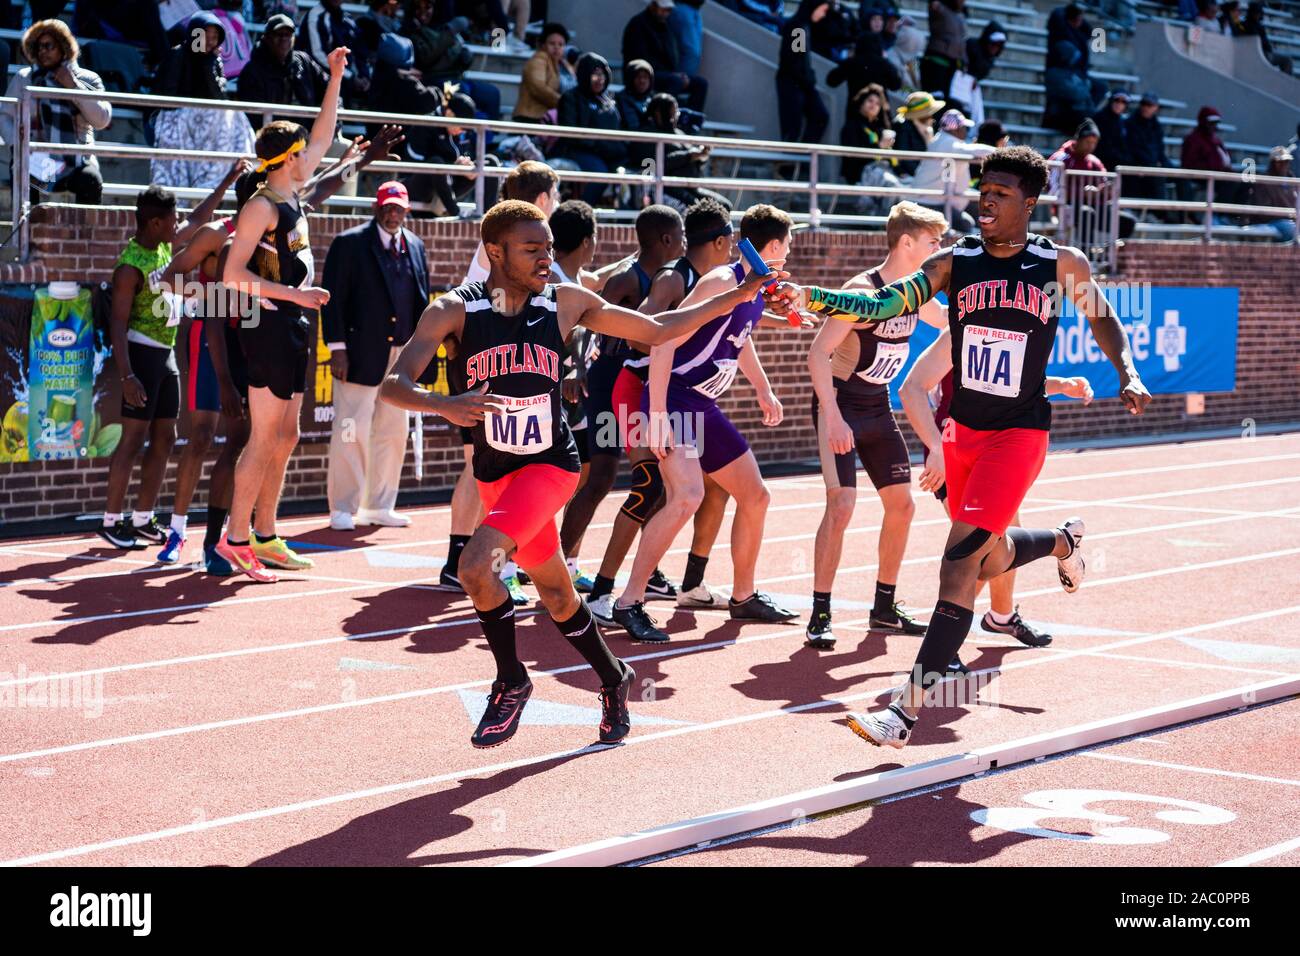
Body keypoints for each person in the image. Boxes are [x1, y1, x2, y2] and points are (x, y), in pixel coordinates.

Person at [777, 144, 1151, 748]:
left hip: (1018, 435)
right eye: (984, 190)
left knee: (957, 565)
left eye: (1001, 194)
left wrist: (1127, 370)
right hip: (963, 436)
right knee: (989, 556)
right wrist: (815, 298)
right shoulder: (955, 263)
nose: (987, 201)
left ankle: (902, 713)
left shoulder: (1061, 264)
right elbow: (883, 304)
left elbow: (1102, 317)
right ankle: (1063, 540)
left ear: (1030, 203)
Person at [377, 199, 780, 748]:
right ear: (493, 252)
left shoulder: (564, 301)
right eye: (531, 249)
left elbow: (659, 329)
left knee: (476, 567)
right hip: (498, 473)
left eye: (548, 246)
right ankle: (616, 679)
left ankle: (511, 682)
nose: (546, 257)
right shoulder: (453, 310)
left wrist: (738, 294)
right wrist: (443, 404)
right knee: (559, 598)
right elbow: (394, 386)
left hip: (550, 467)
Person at [165, 127, 406, 572]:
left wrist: (362, 152)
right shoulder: (225, 230)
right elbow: (173, 281)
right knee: (236, 439)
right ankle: (217, 539)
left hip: (278, 323)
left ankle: (262, 533)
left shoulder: (286, 210)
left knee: (280, 435)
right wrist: (221, 306)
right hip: (239, 332)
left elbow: (323, 178)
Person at [610, 204, 799, 643]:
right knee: (686, 496)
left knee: (755, 495)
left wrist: (763, 387)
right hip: (674, 399)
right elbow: (664, 340)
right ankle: (629, 601)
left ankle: (743, 595)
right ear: (771, 246)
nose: (788, 254)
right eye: (786, 246)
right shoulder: (722, 281)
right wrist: (655, 414)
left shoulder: (757, 287)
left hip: (703, 405)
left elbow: (740, 339)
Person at [216, 46, 349, 582]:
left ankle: (267, 534)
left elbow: (324, 133)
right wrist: (297, 296)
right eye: (300, 152)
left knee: (288, 435)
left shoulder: (292, 187)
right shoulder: (261, 206)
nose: (309, 155)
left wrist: (335, 77)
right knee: (263, 437)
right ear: (285, 159)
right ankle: (236, 537)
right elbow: (231, 276)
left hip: (294, 320)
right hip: (270, 321)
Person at [589, 198, 739, 628]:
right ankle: (602, 592)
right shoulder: (677, 278)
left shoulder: (718, 280)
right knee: (649, 484)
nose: (732, 250)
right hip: (638, 386)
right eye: (729, 241)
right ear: (716, 240)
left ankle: (684, 581)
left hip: (679, 393)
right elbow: (643, 334)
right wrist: (672, 331)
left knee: (709, 485)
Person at [804, 202, 949, 650]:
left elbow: (948, 322)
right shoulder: (863, 291)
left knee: (902, 506)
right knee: (842, 505)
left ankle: (883, 608)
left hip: (878, 407)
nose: (939, 250)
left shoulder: (915, 292)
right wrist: (831, 415)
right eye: (932, 243)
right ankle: (820, 613)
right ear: (907, 243)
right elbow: (817, 354)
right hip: (842, 406)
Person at [899, 325, 1096, 653]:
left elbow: (1018, 383)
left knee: (1003, 536)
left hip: (997, 447)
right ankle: (944, 650)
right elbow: (912, 389)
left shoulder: (1012, 325)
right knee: (973, 552)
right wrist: (935, 449)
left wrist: (1062, 385)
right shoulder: (961, 328)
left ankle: (1001, 616)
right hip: (953, 448)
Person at [97, 183, 228, 549]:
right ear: (154, 223)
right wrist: (127, 376)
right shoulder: (130, 266)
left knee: (166, 437)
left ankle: (142, 518)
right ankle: (111, 520)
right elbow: (118, 326)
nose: (177, 225)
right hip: (140, 356)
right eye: (172, 220)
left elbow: (200, 219)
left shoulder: (165, 246)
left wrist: (228, 181)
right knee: (133, 438)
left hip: (165, 354)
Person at [570, 205, 686, 620]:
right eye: (681, 236)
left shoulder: (672, 280)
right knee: (601, 476)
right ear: (667, 241)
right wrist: (576, 368)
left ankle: (646, 572)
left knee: (657, 477)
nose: (686, 244)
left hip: (640, 383)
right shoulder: (627, 278)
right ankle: (564, 568)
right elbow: (585, 319)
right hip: (607, 383)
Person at [322, 182, 429, 531]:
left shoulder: (415, 246)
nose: (393, 213)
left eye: (399, 207)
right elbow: (334, 299)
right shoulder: (349, 243)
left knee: (393, 432)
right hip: (358, 354)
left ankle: (380, 504)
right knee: (351, 430)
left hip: (400, 356)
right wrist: (336, 347)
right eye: (388, 206)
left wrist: (421, 352)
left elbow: (421, 303)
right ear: (376, 207)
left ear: (407, 210)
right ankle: (343, 506)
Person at [0, 19, 112, 206]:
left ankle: (85, 235)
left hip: (76, 161)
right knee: (22, 172)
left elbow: (102, 119)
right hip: (38, 160)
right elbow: (4, 116)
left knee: (90, 181)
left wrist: (73, 87)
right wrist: (17, 144)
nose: (42, 51)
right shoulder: (25, 78)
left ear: (64, 46)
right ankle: (27, 233)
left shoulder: (88, 79)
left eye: (48, 46)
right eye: (38, 47)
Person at [152, 12, 257, 190]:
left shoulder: (213, 60)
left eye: (214, 37)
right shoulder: (178, 55)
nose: (209, 41)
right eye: (205, 35)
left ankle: (228, 179)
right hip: (177, 118)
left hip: (208, 123)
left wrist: (208, 64)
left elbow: (220, 98)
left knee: (238, 118)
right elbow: (166, 96)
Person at [556, 52, 626, 207]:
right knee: (599, 174)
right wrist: (598, 144)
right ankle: (580, 212)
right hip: (576, 149)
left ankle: (624, 218)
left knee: (627, 175)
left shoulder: (609, 101)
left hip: (607, 152)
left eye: (602, 74)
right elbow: (569, 133)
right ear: (584, 75)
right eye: (594, 74)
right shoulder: (570, 97)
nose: (599, 79)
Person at [912, 108, 993, 234]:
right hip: (931, 203)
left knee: (978, 205)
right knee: (966, 224)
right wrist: (1004, 153)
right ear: (956, 129)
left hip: (928, 199)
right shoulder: (949, 143)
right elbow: (977, 150)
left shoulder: (940, 140)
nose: (966, 131)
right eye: (964, 127)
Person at [235, 13, 328, 122]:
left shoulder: (304, 61)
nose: (284, 38)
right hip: (269, 134)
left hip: (308, 135)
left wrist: (331, 124)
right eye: (278, 34)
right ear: (266, 38)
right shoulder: (251, 72)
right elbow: (252, 117)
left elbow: (330, 89)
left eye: (288, 34)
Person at [623, 0, 709, 112]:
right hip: (641, 73)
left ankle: (690, 121)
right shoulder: (637, 24)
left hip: (664, 74)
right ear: (653, 6)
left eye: (668, 10)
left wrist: (678, 74)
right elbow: (639, 58)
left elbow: (671, 56)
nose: (666, 13)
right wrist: (674, 75)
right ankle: (661, 114)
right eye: (663, 9)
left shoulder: (665, 26)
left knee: (701, 84)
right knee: (675, 81)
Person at [776, 1, 831, 146]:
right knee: (792, 126)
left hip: (803, 83)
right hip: (793, 83)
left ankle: (804, 159)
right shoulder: (798, 28)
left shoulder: (804, 27)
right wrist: (807, 78)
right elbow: (796, 58)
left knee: (820, 115)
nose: (823, 14)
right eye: (822, 10)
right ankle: (788, 166)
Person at [840, 83, 897, 190]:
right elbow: (854, 157)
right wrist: (879, 146)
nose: (873, 105)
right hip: (859, 174)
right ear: (861, 102)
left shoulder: (880, 130)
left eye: (878, 104)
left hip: (882, 171)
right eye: (870, 101)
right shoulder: (852, 126)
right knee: (892, 185)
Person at [513, 22, 571, 122]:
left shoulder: (561, 63)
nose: (557, 47)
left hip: (546, 118)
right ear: (543, 45)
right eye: (552, 43)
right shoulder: (539, 60)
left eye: (561, 44)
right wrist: (564, 102)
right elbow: (538, 88)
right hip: (530, 119)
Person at [1123, 92, 1170, 205]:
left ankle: (1185, 215)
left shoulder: (1156, 126)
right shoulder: (1130, 123)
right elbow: (1132, 149)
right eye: (1144, 104)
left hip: (1153, 163)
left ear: (1156, 108)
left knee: (1182, 175)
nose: (1145, 107)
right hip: (1137, 164)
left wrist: (1163, 164)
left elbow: (1160, 151)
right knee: (1157, 175)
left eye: (1149, 105)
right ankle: (1160, 214)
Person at [1247, 146, 1298, 243]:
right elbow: (1264, 212)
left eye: (1286, 161)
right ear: (1272, 163)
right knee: (1290, 229)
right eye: (1279, 162)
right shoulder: (1263, 182)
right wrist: (1289, 215)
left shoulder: (1292, 181)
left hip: (1290, 221)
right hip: (1270, 222)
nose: (1284, 165)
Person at [920, 0, 966, 102]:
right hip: (936, 62)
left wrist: (964, 59)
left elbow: (960, 41)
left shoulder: (959, 16)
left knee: (945, 101)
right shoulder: (939, 8)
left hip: (951, 64)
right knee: (933, 100)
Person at [891, 90, 942, 178]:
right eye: (928, 114)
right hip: (910, 176)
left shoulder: (929, 127)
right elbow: (904, 159)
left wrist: (928, 138)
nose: (932, 118)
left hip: (925, 173)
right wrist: (923, 175)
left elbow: (936, 157)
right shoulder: (903, 127)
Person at [1091, 90, 1131, 173]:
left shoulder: (1122, 121)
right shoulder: (1099, 118)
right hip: (1099, 165)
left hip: (1116, 165)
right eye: (1117, 100)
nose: (1119, 104)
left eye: (1123, 102)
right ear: (1111, 101)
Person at [616, 59, 656, 133]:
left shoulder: (653, 99)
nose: (642, 81)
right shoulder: (620, 99)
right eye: (638, 77)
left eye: (646, 77)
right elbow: (633, 127)